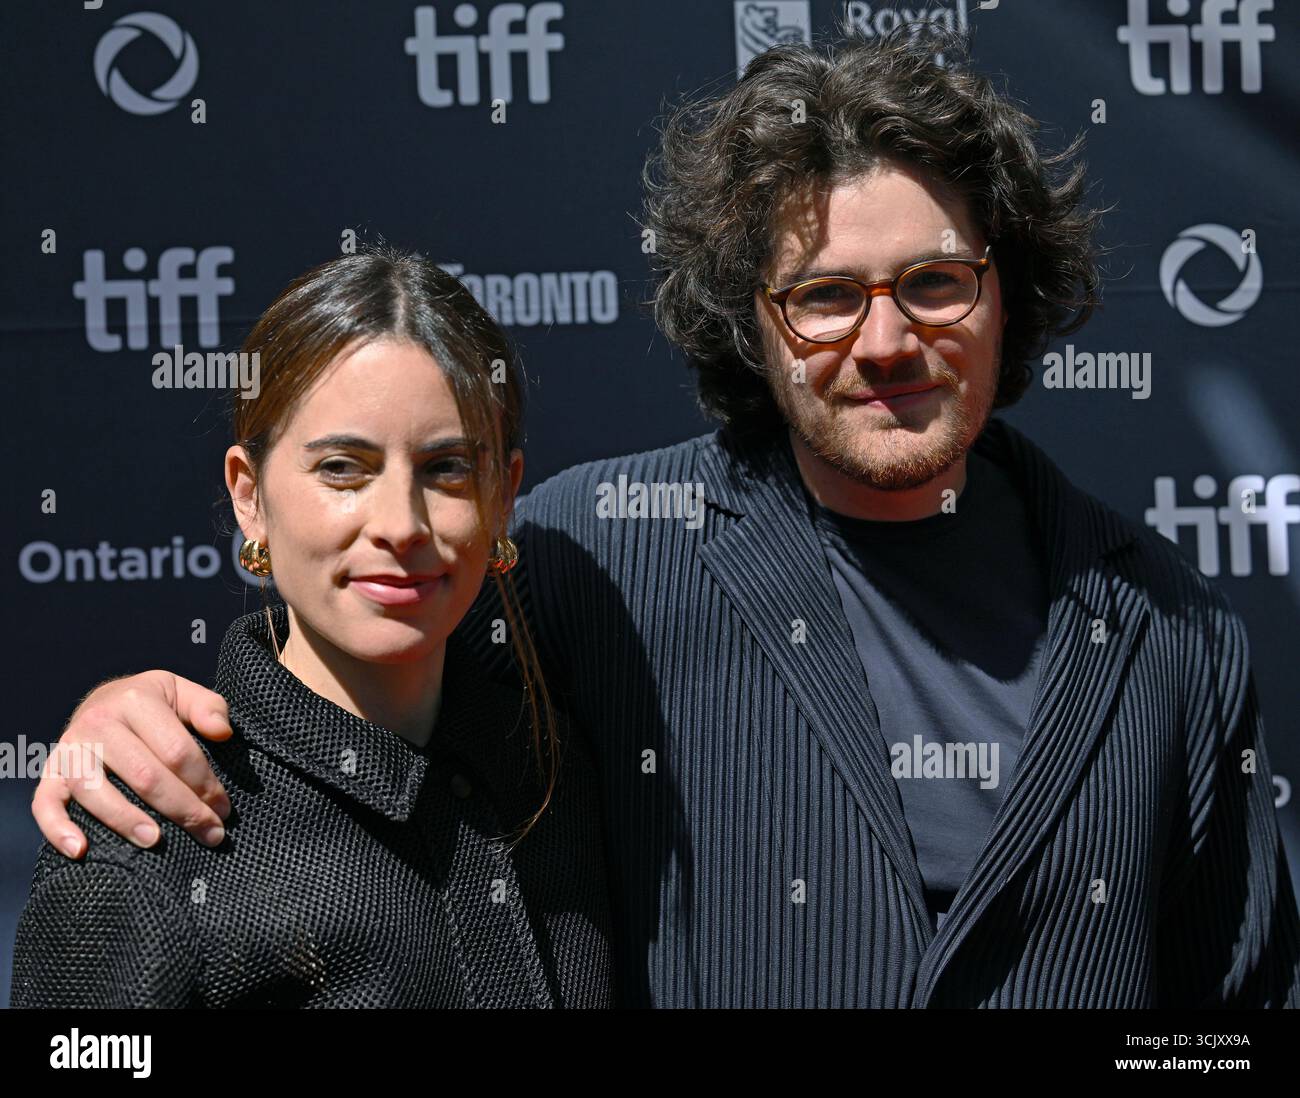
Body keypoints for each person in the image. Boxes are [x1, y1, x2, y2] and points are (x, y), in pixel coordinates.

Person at [29, 29, 1300, 1007]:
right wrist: (131, 714)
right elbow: (360, 696)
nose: (885, 341)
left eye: (933, 283)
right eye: (821, 296)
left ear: (1007, 291)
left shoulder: (1167, 627)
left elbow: (1226, 1011)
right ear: (748, 321)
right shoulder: (604, 555)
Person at [12, 247, 613, 1008]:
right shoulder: (147, 825)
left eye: (447, 469)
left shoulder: (563, 777)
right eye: (342, 468)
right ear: (249, 496)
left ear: (503, 497)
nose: (401, 524)